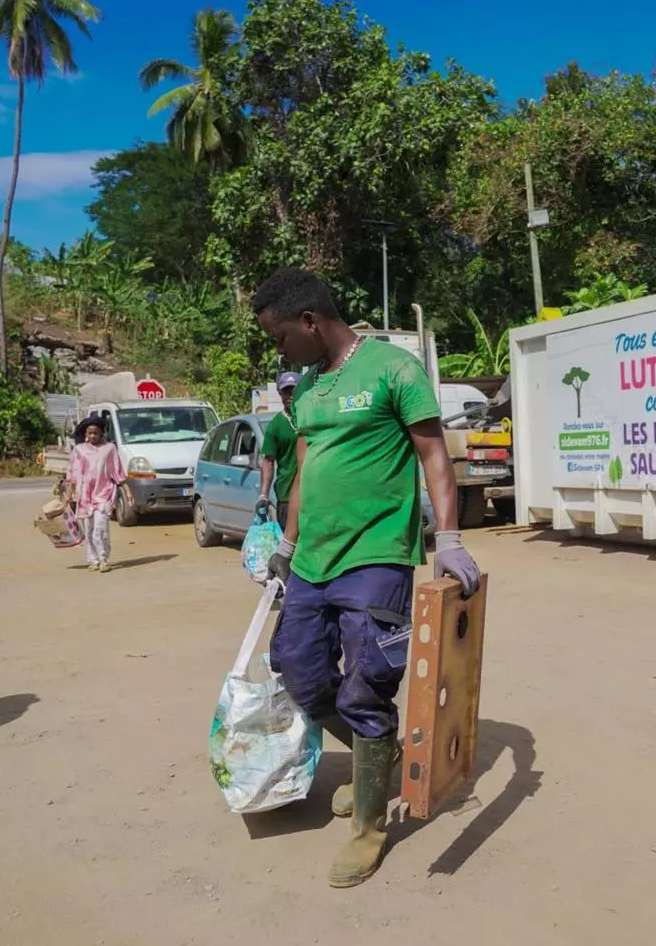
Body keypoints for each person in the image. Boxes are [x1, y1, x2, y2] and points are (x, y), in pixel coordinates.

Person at [254, 267, 480, 889]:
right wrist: (287, 542)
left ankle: (370, 828)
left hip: (376, 555)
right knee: (297, 669)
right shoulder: (308, 387)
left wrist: (449, 536)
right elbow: (304, 467)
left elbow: (433, 452)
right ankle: (373, 766)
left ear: (309, 321)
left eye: (279, 338)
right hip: (311, 560)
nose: (278, 351)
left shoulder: (392, 369)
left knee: (367, 685)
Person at [67, 416, 126, 573]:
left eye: (95, 433)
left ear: (101, 433)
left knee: (101, 528)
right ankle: (92, 559)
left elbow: (117, 471)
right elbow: (72, 473)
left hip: (104, 493)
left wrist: (128, 491)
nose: (92, 436)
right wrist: (68, 494)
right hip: (85, 496)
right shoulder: (79, 450)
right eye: (89, 433)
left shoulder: (109, 449)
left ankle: (103, 558)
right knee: (89, 529)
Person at [257, 371, 302, 529]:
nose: (290, 395)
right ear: (280, 394)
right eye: (286, 391)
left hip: (312, 493)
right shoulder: (275, 426)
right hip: (287, 496)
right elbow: (268, 461)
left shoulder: (312, 419)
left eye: (294, 391)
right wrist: (263, 495)